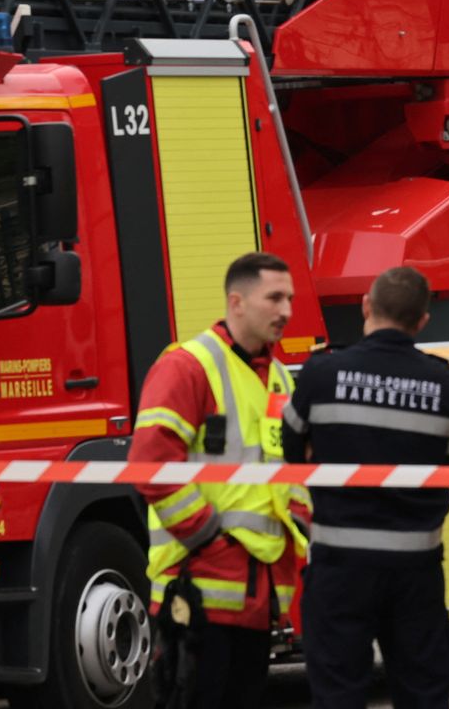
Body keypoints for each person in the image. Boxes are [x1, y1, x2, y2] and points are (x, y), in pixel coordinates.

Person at [130, 251, 311, 709]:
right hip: (198, 591)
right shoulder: (187, 366)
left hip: (256, 598)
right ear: (237, 302)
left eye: (289, 298)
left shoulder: (280, 380)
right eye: (274, 298)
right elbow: (152, 465)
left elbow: (291, 474)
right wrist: (207, 536)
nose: (287, 311)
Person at [282, 266, 449, 709]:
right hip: (415, 571)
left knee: (339, 692)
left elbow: (291, 450)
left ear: (366, 305)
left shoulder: (322, 372)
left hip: (340, 567)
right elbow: (444, 460)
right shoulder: (447, 386)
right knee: (423, 692)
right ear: (422, 321)